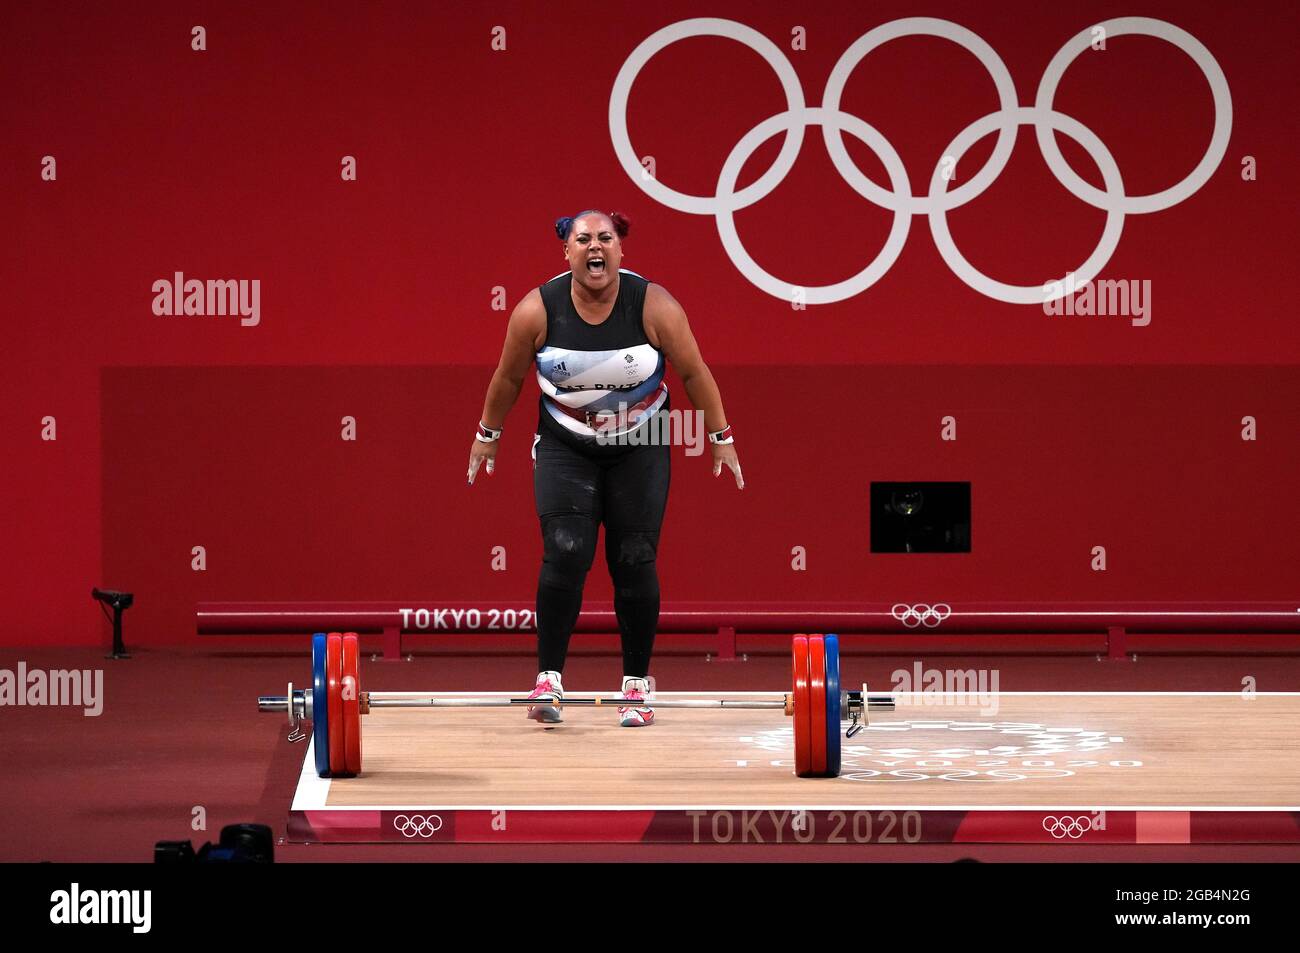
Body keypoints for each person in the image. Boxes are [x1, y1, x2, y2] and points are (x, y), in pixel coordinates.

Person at [467, 209, 743, 726]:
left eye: (606, 239)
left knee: (634, 557)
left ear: (620, 250)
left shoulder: (655, 305)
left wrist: (721, 438)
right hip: (564, 444)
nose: (596, 248)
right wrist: (488, 435)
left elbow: (693, 372)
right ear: (567, 252)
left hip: (642, 442)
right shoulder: (536, 310)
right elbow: (507, 379)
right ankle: (548, 681)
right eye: (584, 240)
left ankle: (636, 687)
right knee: (565, 551)